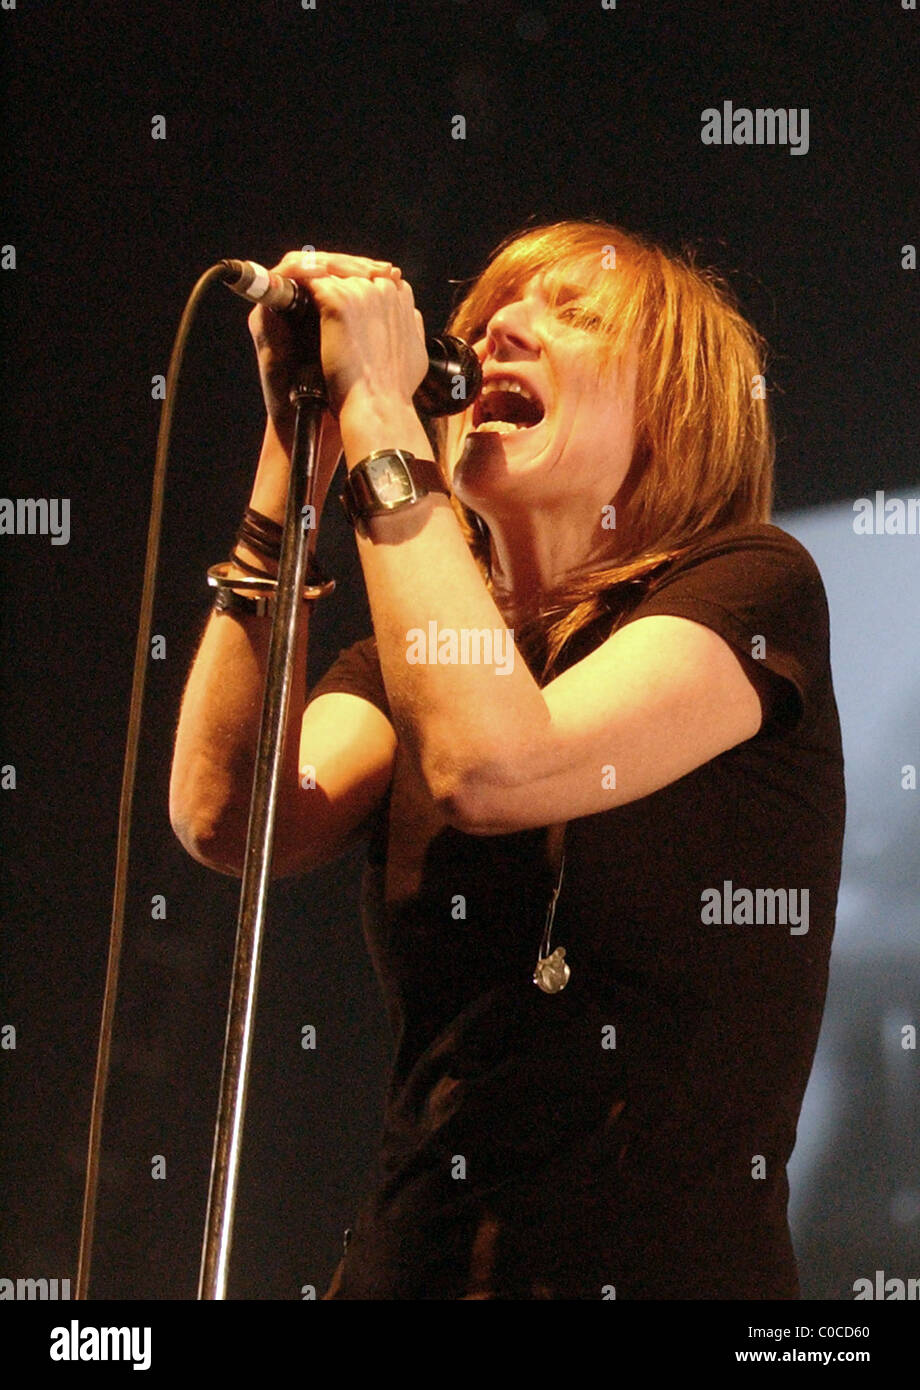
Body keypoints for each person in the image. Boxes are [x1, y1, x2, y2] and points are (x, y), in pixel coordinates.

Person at [169, 220, 845, 1299]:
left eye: (568, 315)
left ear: (674, 409)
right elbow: (230, 820)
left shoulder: (752, 591)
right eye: (478, 324)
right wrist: (293, 461)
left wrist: (383, 411)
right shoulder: (411, 667)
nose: (500, 336)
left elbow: (492, 767)